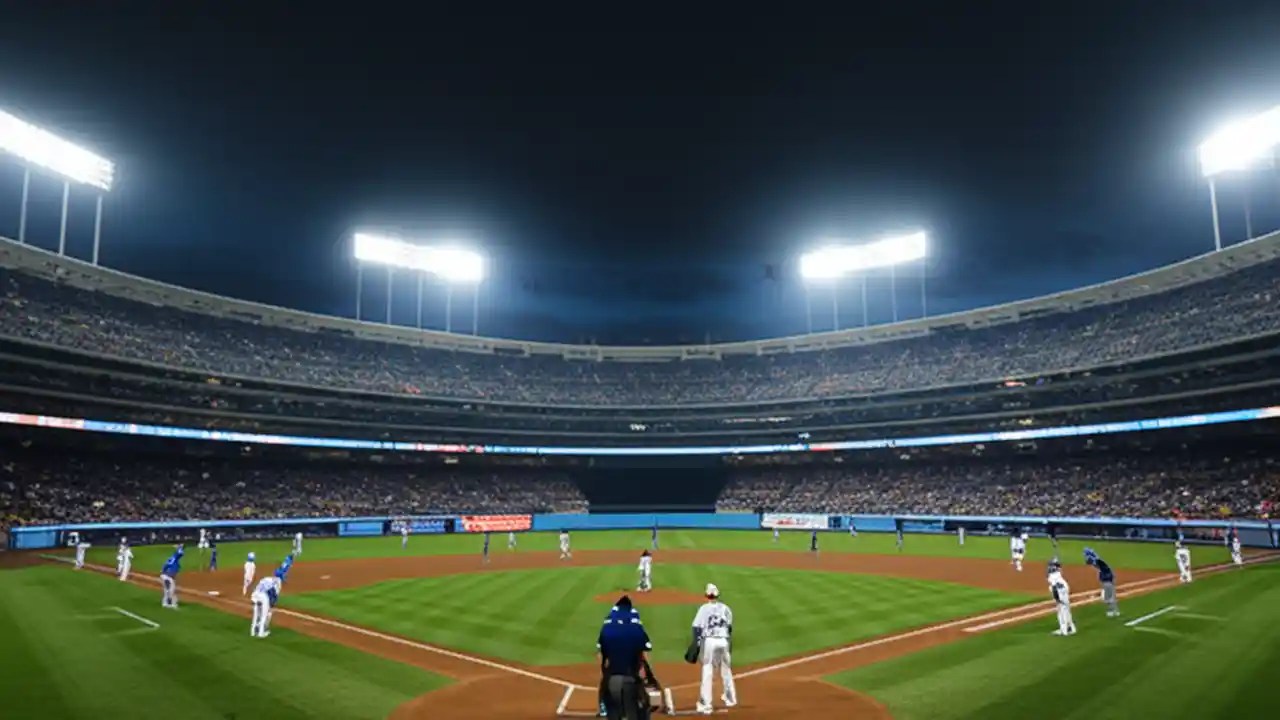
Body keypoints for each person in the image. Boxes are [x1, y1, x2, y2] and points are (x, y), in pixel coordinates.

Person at [597, 595, 653, 720]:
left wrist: (604, 678)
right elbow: (645, 656)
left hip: (612, 681)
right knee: (637, 712)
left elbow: (600, 657)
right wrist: (648, 677)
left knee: (613, 712)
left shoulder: (606, 628)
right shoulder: (637, 628)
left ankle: (602, 707)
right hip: (631, 681)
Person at [691, 583, 737, 714]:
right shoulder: (726, 609)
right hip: (724, 641)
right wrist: (729, 646)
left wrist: (695, 644)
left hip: (710, 641)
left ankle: (706, 704)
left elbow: (696, 627)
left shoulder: (704, 609)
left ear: (707, 595)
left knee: (707, 670)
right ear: (717, 595)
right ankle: (730, 698)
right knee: (726, 669)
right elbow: (729, 629)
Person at [1084, 547, 1119, 617]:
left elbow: (1092, 561)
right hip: (1109, 580)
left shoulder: (1098, 561)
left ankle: (1111, 612)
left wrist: (1090, 557)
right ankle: (1115, 611)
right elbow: (1094, 562)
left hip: (1107, 581)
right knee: (1111, 596)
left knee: (1108, 597)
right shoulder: (1100, 562)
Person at [250, 568, 285, 638]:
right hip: (263, 596)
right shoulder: (278, 582)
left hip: (255, 594)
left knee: (256, 615)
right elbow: (273, 595)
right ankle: (261, 633)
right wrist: (271, 606)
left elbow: (258, 587)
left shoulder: (266, 578)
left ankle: (253, 632)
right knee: (265, 615)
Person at [1047, 560, 1076, 636]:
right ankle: (1071, 628)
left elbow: (1054, 588)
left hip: (1060, 593)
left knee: (1061, 612)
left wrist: (1057, 598)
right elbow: (1058, 566)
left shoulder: (1052, 576)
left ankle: (1064, 630)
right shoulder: (1058, 574)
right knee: (1066, 610)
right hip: (1065, 590)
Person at [161, 545, 184, 609]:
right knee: (172, 590)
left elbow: (164, 567)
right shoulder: (175, 558)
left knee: (167, 590)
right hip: (168, 576)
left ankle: (165, 603)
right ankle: (173, 603)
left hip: (164, 575)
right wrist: (179, 547)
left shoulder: (171, 558)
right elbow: (180, 553)